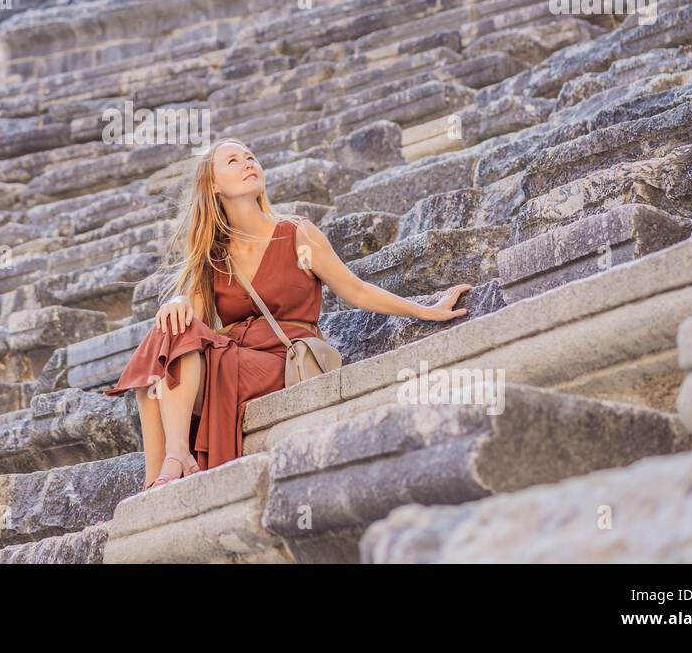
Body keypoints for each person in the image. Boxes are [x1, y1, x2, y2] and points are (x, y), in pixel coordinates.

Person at [102, 137, 472, 490]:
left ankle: (174, 461)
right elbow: (187, 327)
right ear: (213, 186)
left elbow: (355, 289)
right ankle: (161, 472)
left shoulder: (298, 235)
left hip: (281, 360)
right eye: (233, 161)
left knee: (174, 348)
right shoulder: (213, 256)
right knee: (166, 335)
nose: (248, 163)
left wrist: (426, 310)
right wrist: (176, 302)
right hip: (231, 358)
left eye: (251, 157)